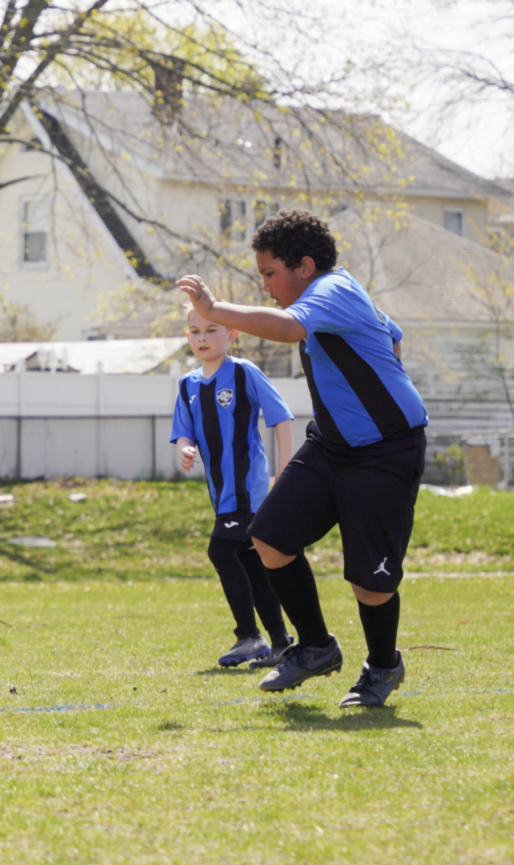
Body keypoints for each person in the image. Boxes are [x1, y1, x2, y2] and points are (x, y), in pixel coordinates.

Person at [177, 208, 428, 708]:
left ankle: (383, 667)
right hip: (332, 446)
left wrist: (215, 308)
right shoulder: (335, 295)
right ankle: (315, 648)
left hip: (385, 453)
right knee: (268, 538)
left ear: (306, 266)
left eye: (270, 274)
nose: (267, 285)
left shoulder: (332, 290)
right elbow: (393, 335)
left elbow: (289, 328)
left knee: (368, 582)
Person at [171, 308, 295, 669]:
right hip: (222, 496)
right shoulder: (188, 384)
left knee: (221, 551)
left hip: (249, 490)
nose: (203, 337)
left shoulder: (243, 373)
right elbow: (183, 431)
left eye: (212, 329)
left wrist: (284, 471)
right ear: (187, 337)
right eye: (195, 331)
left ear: (233, 335)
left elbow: (282, 417)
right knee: (250, 562)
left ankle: (248, 636)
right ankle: (281, 643)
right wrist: (185, 449)